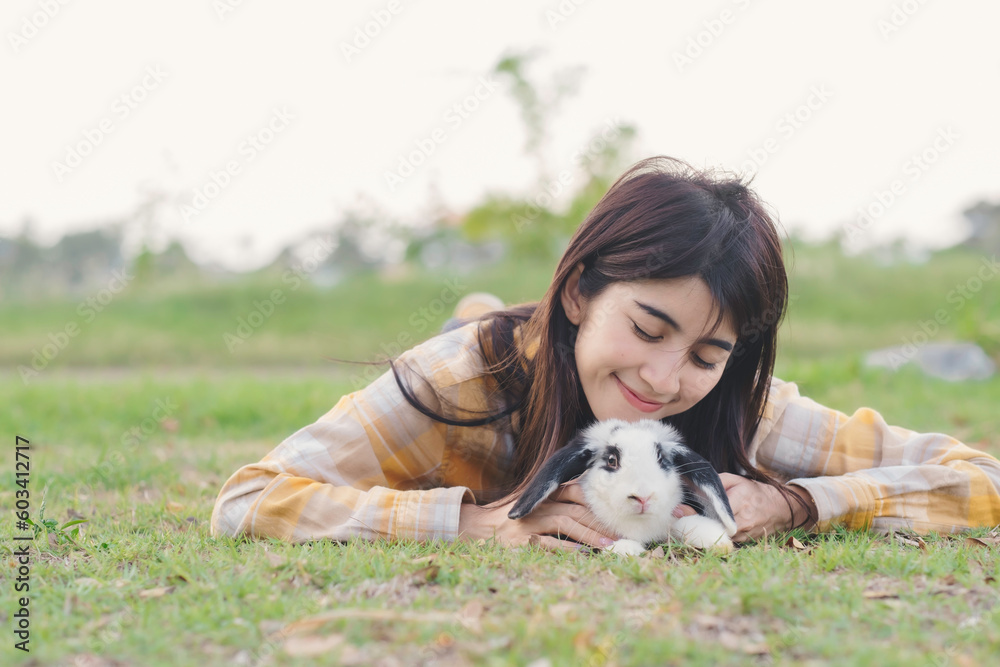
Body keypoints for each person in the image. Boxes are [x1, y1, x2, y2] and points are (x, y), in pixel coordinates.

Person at [210, 156, 1000, 550]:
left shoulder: (745, 408)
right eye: (650, 329)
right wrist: (473, 523)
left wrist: (796, 502)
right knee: (480, 325)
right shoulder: (457, 382)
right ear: (582, 290)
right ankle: (480, 308)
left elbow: (981, 479)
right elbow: (247, 500)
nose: (663, 379)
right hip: (504, 351)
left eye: (706, 351)